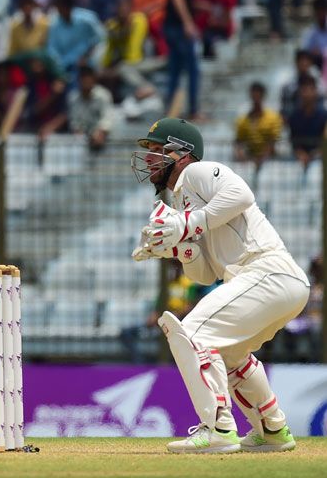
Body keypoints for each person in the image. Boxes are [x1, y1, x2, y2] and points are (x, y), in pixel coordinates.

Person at [131, 117, 309, 453]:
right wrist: (180, 248)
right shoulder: (183, 199)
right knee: (229, 354)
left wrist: (190, 222)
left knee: (192, 332)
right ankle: (271, 429)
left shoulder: (197, 173)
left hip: (267, 271)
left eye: (157, 150)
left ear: (182, 153)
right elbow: (206, 275)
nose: (150, 158)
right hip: (274, 283)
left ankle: (218, 429)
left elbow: (241, 194)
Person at [233, 82, 283, 167]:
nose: (255, 98)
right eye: (253, 95)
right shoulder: (243, 119)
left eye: (258, 95)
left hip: (269, 160)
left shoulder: (273, 117)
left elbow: (273, 142)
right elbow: (239, 141)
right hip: (250, 159)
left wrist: (262, 157)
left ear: (263, 96)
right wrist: (241, 154)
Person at [287, 74, 327, 170]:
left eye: (309, 90)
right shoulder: (294, 116)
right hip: (298, 160)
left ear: (315, 92)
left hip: (320, 158)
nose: (307, 94)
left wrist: (317, 153)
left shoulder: (324, 115)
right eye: (304, 90)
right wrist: (300, 153)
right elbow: (293, 140)